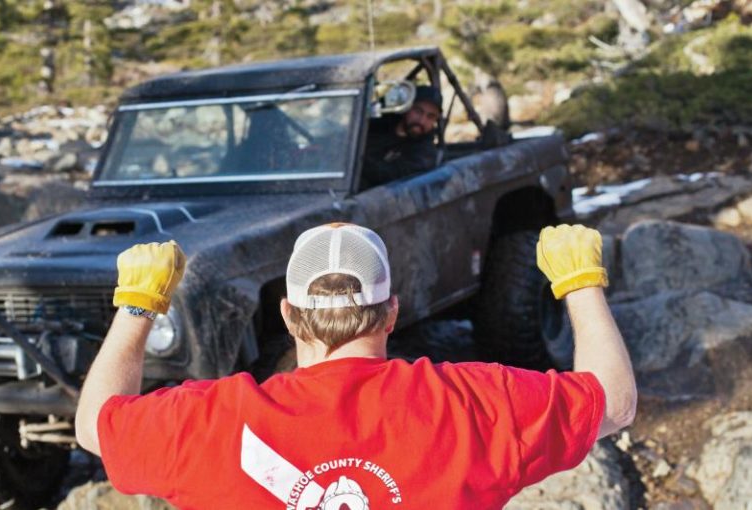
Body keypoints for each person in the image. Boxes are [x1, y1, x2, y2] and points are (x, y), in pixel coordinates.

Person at [75, 223, 636, 509]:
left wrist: (136, 306)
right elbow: (612, 402)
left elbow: (95, 426)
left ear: (289, 316)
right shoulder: (474, 404)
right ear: (391, 311)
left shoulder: (212, 420)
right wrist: (581, 285)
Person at [361, 85, 443, 188]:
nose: (422, 121)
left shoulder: (424, 154)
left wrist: (359, 159)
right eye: (418, 111)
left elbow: (389, 178)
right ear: (407, 108)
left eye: (430, 117)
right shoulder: (378, 125)